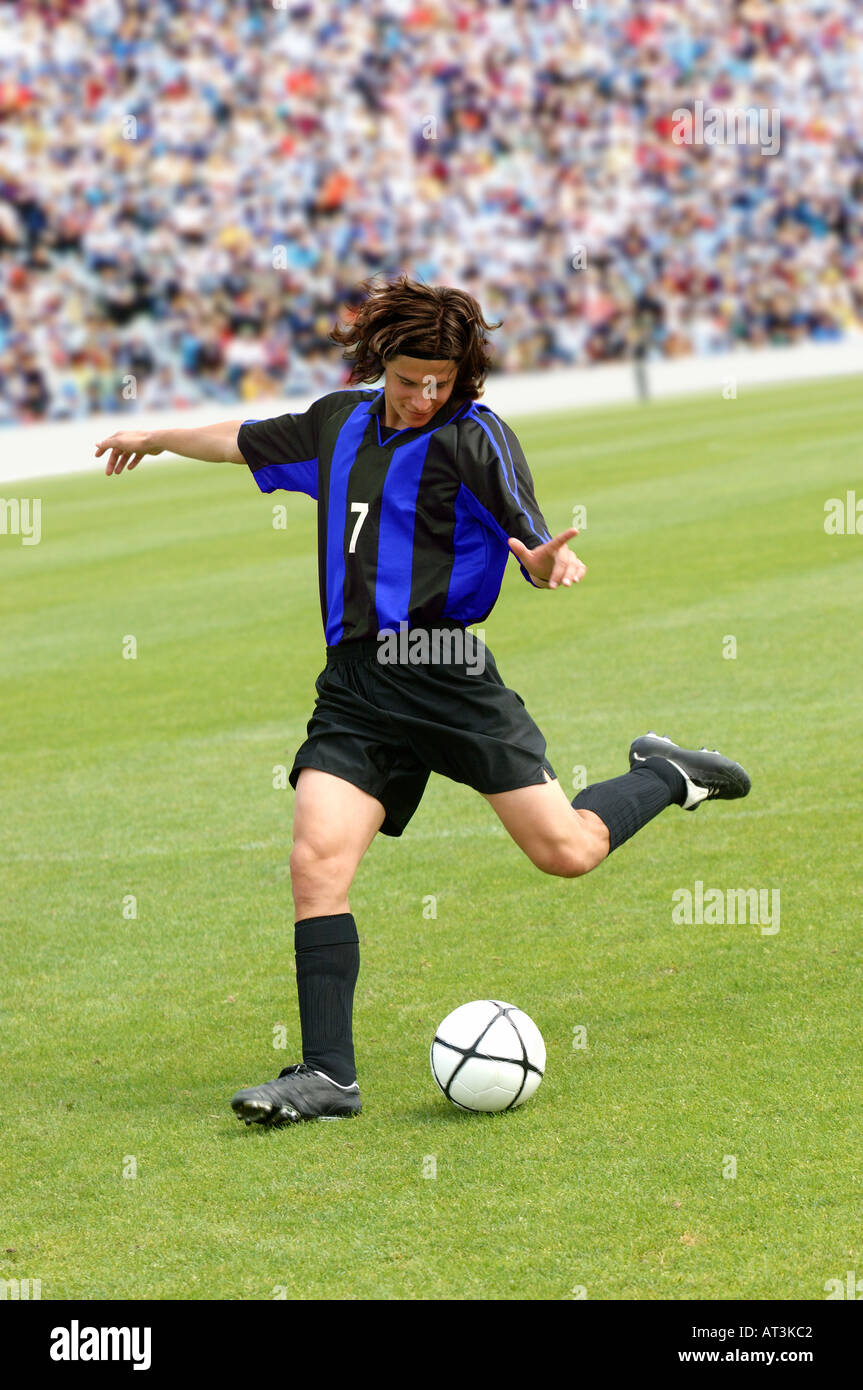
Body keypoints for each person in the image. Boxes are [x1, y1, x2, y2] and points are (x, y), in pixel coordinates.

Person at [96, 274, 751, 1126]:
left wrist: (547, 563)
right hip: (356, 685)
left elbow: (529, 534)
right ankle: (329, 1077)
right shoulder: (338, 422)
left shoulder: (476, 438)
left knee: (566, 853)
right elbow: (242, 439)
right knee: (315, 860)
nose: (422, 396)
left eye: (439, 382)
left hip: (444, 673)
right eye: (408, 379)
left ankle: (664, 773)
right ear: (381, 363)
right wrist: (159, 436)